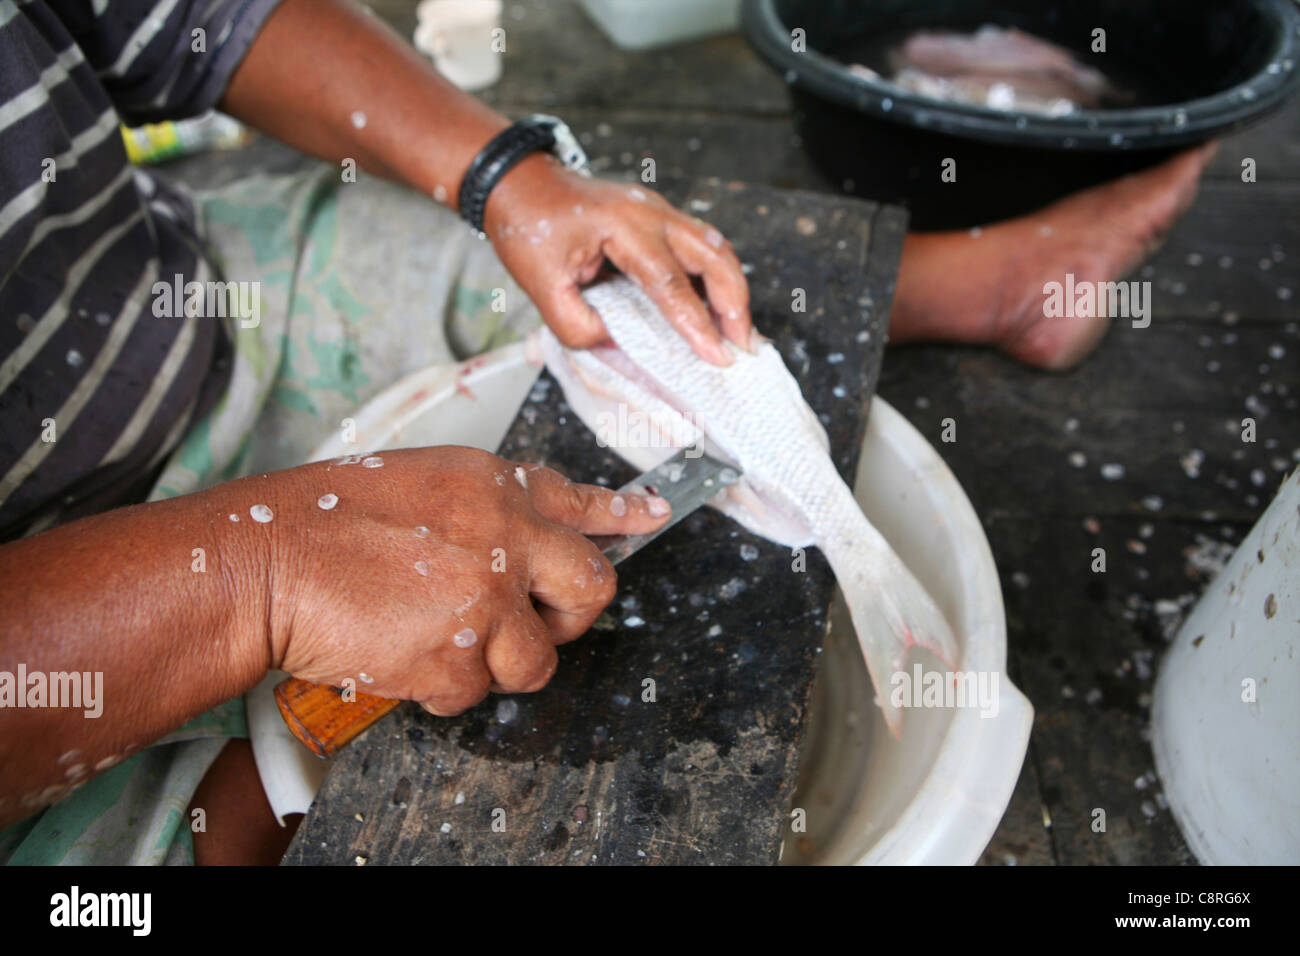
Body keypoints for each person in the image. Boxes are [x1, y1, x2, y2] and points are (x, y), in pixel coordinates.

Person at [0, 0, 1213, 864]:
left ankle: (965, 285)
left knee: (610, 295)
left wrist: (503, 177)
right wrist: (257, 574)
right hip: (60, 675)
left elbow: (196, 17)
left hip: (202, 294)